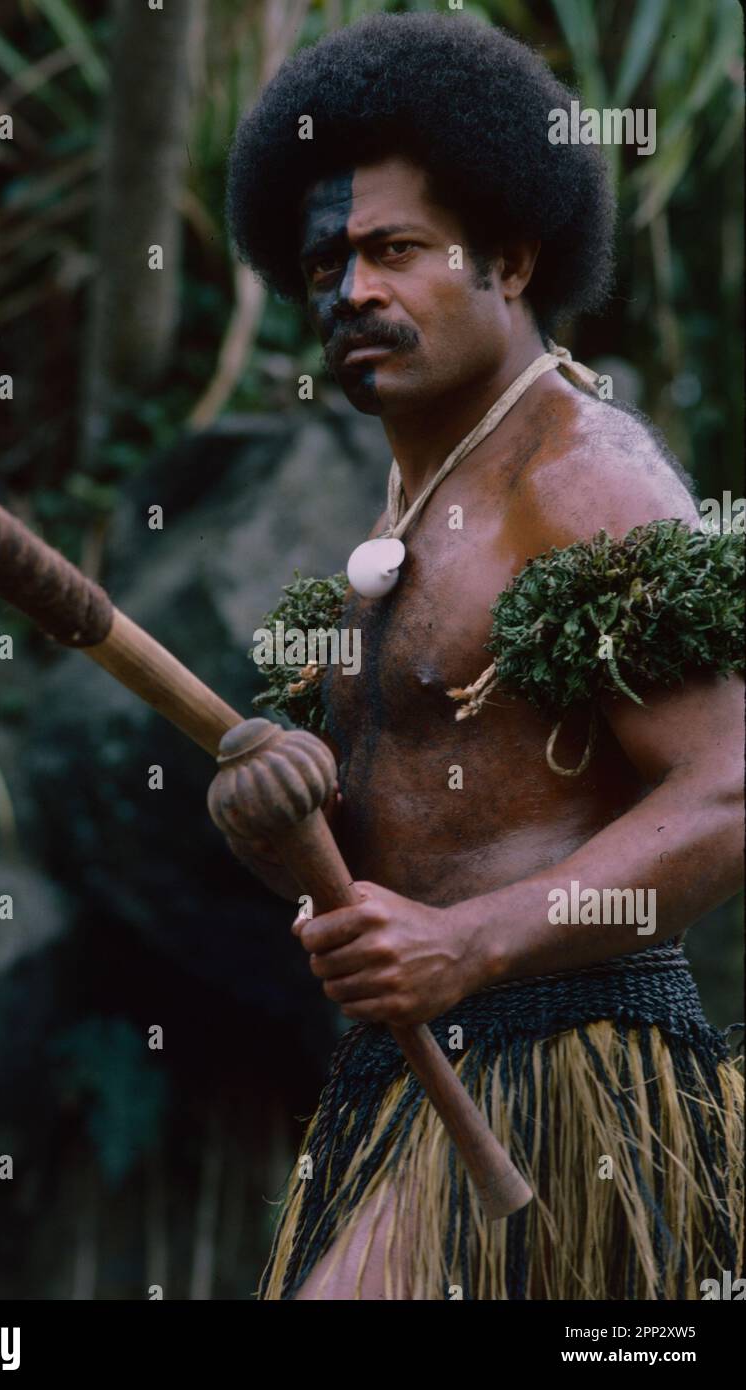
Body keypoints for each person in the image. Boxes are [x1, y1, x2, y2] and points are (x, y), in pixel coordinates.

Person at [224, 12, 744, 1300]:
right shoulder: (420, 509)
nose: (350, 294)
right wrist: (277, 809)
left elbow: (732, 789)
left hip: (563, 1063)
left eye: (393, 250)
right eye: (325, 265)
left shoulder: (578, 477)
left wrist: (476, 946)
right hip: (411, 1080)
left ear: (509, 259)